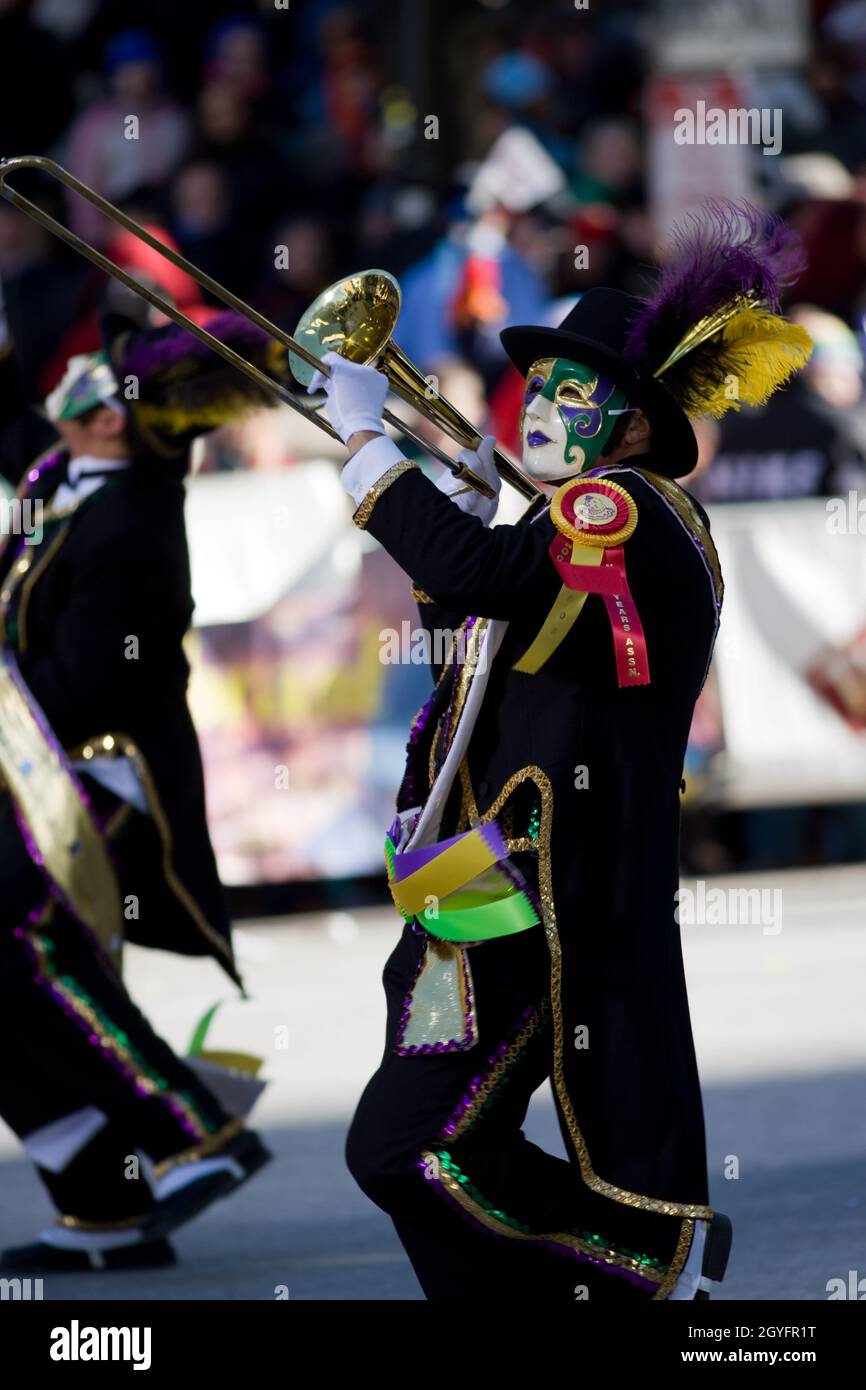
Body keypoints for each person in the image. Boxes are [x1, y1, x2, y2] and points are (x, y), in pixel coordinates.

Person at [309, 201, 813, 1300]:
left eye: (569, 390)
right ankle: (628, 1268)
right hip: (480, 882)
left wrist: (367, 451)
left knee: (407, 1147)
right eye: (534, 386)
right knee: (412, 1147)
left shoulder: (624, 509)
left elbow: (494, 581)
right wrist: (455, 500)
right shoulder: (579, 516)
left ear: (631, 425)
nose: (540, 403)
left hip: (542, 887)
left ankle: (648, 1266)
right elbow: (495, 614)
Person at [0, 301, 282, 1273]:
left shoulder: (129, 521)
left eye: (96, 369)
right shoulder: (67, 472)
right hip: (35, 774)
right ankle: (103, 1199)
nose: (75, 370)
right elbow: (11, 418)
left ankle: (195, 1130)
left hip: (98, 784)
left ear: (116, 416)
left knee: (23, 943)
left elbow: (82, 688)